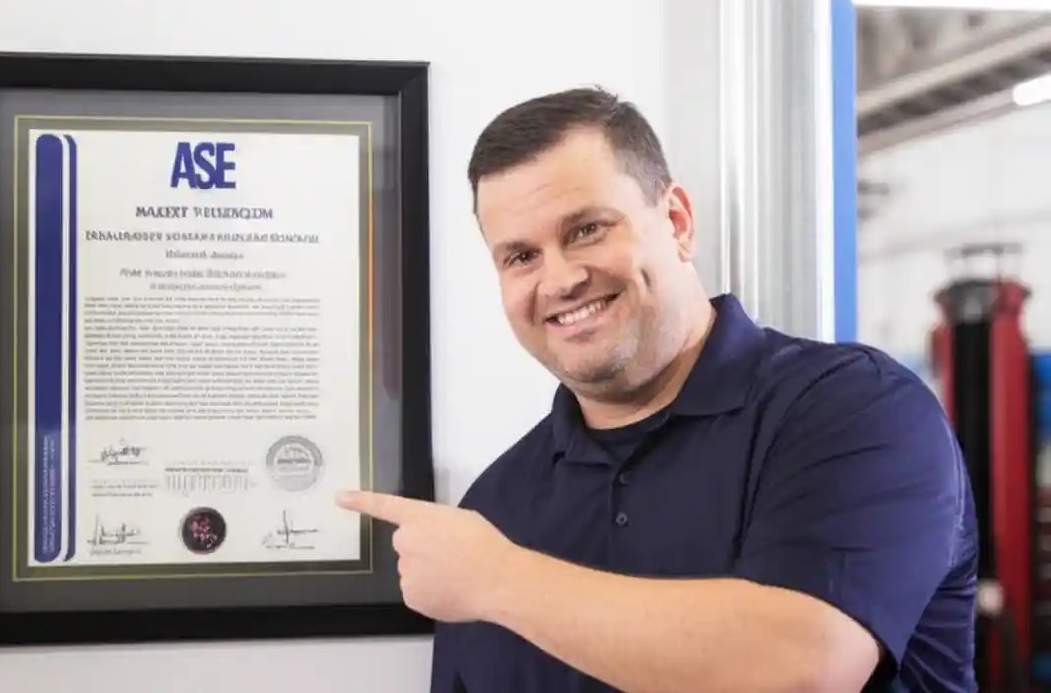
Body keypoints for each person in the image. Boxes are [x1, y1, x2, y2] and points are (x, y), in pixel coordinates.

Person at [336, 87, 978, 692]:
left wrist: (498, 579)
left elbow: (805, 667)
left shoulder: (856, 410)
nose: (559, 280)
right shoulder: (497, 506)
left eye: (586, 229)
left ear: (676, 221)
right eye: (521, 257)